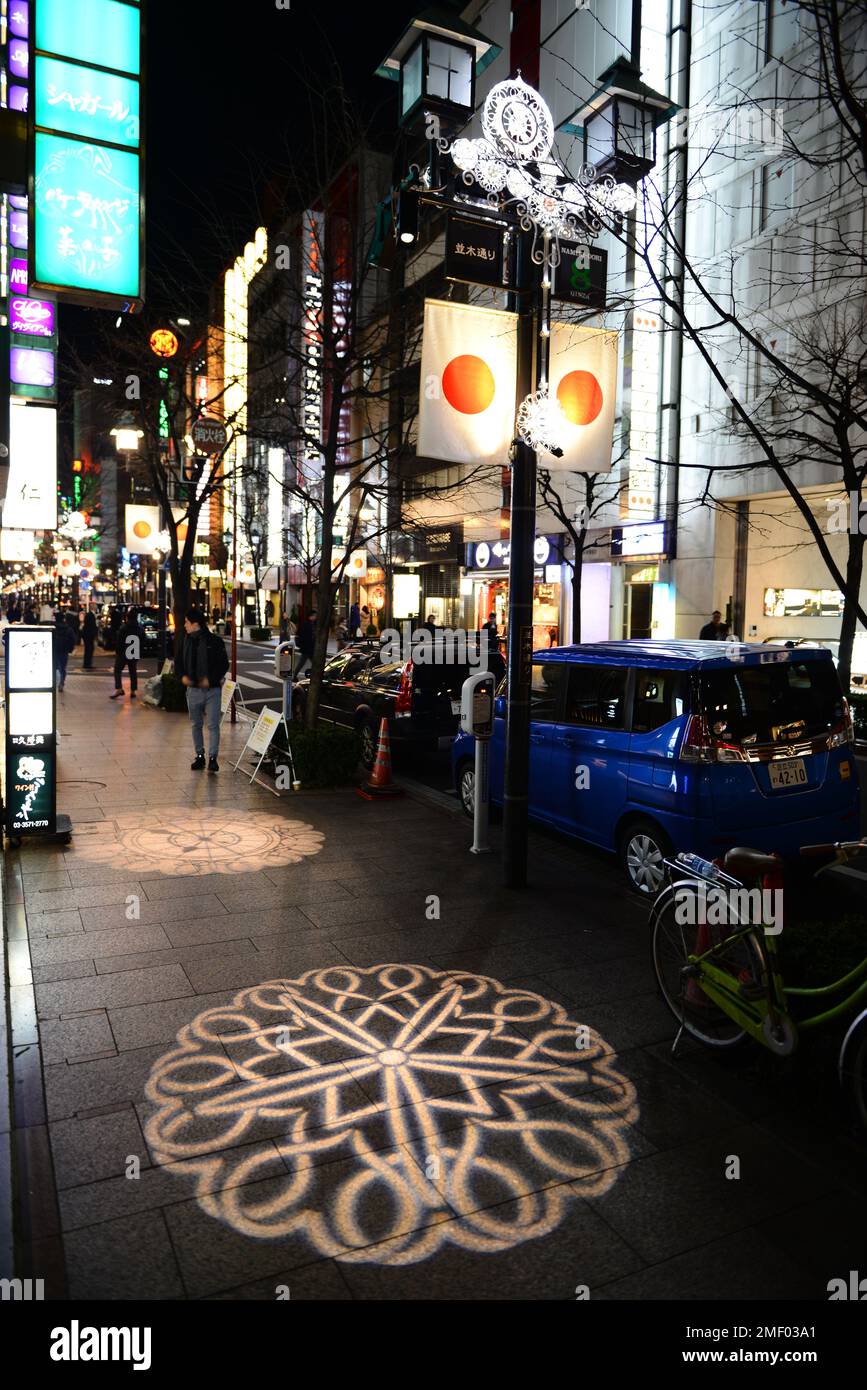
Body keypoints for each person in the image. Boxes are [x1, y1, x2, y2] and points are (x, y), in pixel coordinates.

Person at [175, 607, 230, 772]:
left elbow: (223, 665)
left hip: (212, 690)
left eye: (186, 622)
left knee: (213, 725)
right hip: (193, 690)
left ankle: (213, 758)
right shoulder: (185, 641)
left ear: (195, 624)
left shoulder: (214, 641)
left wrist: (210, 680)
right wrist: (182, 676)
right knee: (196, 724)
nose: (184, 625)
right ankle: (200, 756)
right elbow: (178, 662)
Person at [110, 608, 143, 700]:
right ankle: (133, 691)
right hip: (134, 651)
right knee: (133, 671)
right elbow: (142, 640)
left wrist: (118, 652)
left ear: (127, 618)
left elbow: (119, 641)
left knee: (117, 669)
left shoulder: (124, 628)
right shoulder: (139, 628)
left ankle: (119, 688)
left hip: (124, 652)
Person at [54, 613, 76, 693]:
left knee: (54, 667)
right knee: (62, 668)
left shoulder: (53, 628)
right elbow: (73, 640)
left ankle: (53, 683)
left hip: (54, 650)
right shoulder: (68, 629)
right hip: (64, 651)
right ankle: (61, 683)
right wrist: (70, 649)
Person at [296, 609, 315, 677]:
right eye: (314, 616)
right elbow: (303, 636)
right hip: (307, 648)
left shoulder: (312, 624)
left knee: (313, 663)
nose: (315, 617)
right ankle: (294, 675)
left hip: (309, 648)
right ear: (311, 616)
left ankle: (313, 675)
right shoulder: (306, 624)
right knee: (302, 663)